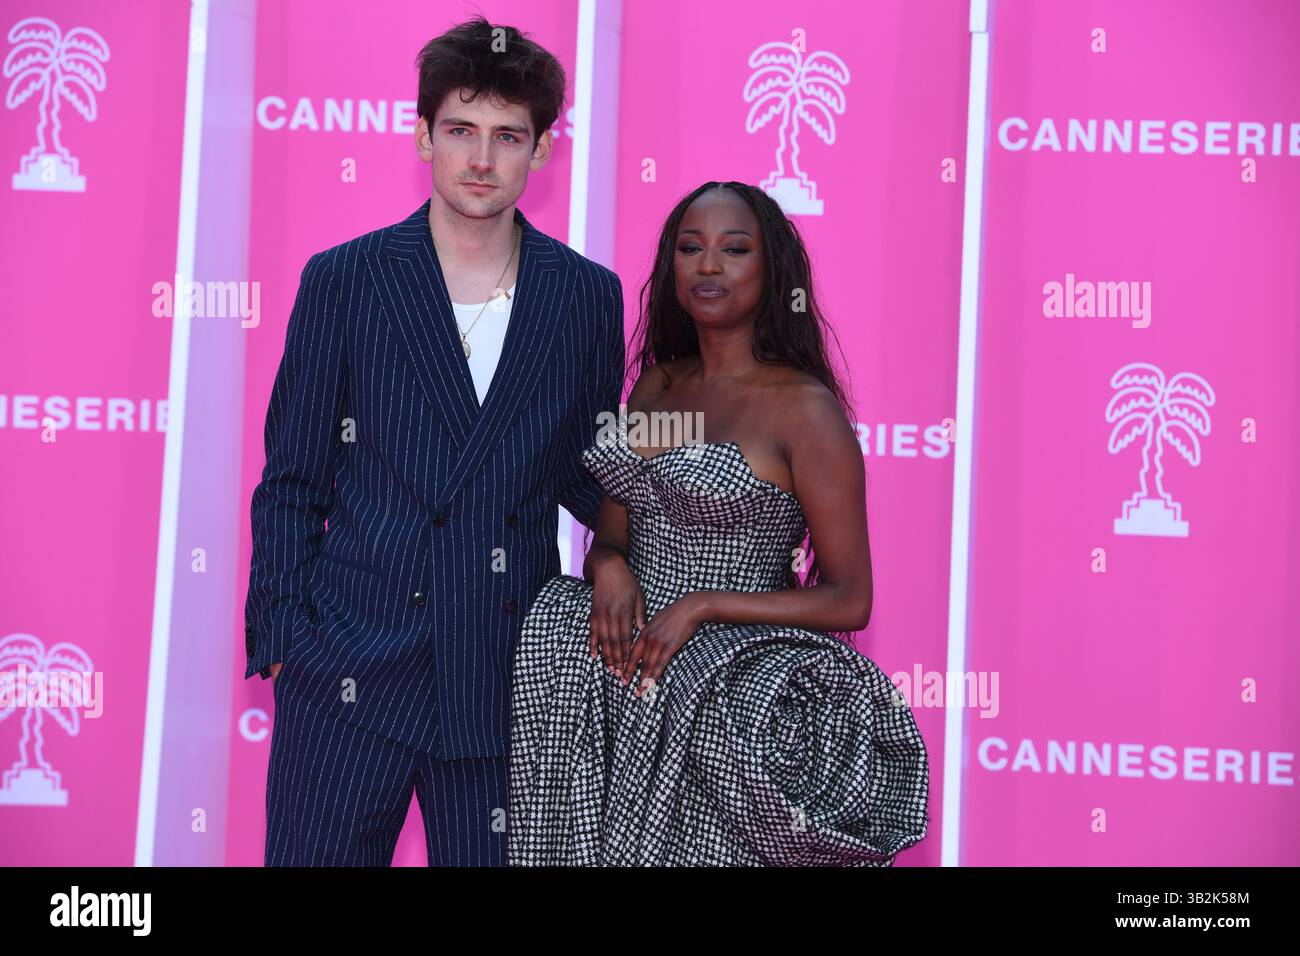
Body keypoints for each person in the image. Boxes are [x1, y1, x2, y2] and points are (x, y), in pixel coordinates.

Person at [243, 17, 624, 866]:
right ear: (422, 137)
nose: (482, 158)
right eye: (460, 130)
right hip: (347, 668)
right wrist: (283, 642)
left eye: (507, 136)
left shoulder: (585, 297)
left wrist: (695, 530)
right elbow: (294, 476)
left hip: (501, 678)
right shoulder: (345, 279)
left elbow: (589, 473)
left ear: (541, 151)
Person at [508, 182, 930, 865]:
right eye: (690, 248)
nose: (708, 266)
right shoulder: (655, 387)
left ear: (771, 271)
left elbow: (850, 598)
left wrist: (700, 608)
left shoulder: (804, 410)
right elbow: (613, 531)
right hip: (622, 679)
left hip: (727, 696)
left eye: (734, 249)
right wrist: (609, 566)